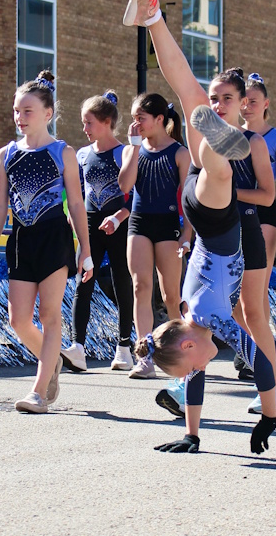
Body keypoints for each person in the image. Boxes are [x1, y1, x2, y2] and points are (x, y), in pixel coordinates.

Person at [123, 0, 276, 454]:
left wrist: (268, 416)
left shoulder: (211, 323)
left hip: (212, 221)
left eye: (195, 365)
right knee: (191, 98)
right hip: (202, 212)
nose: (199, 369)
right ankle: (152, 17)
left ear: (188, 345)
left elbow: (257, 362)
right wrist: (192, 434)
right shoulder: (189, 319)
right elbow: (197, 371)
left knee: (218, 166)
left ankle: (155, 19)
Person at [0, 70, 93, 414]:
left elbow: (76, 204)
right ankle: (52, 359)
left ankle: (38, 392)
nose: (20, 117)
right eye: (17, 111)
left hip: (54, 237)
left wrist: (85, 249)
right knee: (18, 320)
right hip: (21, 238)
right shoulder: (7, 154)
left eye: (27, 111)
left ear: (47, 114)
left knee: (49, 314)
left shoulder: (63, 152)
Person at [221, 69, 276, 413]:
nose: (219, 105)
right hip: (214, 235)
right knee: (210, 310)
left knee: (253, 311)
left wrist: (229, 193)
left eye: (227, 98)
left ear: (243, 103)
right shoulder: (204, 140)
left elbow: (267, 195)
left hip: (248, 229)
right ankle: (184, 390)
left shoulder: (254, 142)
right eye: (213, 99)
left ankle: (272, 387)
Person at [117, 93, 191, 378]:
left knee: (171, 295)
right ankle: (144, 356)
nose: (136, 124)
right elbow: (125, 186)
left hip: (168, 225)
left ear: (159, 119)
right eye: (133, 118)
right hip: (139, 222)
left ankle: (181, 354)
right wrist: (135, 147)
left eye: (141, 118)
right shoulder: (132, 149)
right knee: (140, 287)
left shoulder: (179, 153)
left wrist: (187, 233)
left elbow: (188, 198)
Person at [61, 91, 134, 372]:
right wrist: (73, 216)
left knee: (121, 281)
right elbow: (76, 192)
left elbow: (135, 195)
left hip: (118, 223)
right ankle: (77, 347)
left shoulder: (123, 152)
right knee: (84, 281)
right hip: (90, 223)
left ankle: (124, 347)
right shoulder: (82, 154)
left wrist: (118, 217)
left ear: (106, 122)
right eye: (83, 122)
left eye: (89, 123)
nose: (84, 128)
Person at [243, 74, 276, 267]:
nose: (247, 107)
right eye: (243, 102)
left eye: (253, 102)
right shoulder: (232, 135)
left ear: (266, 104)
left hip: (264, 210)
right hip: (235, 208)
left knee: (260, 277)